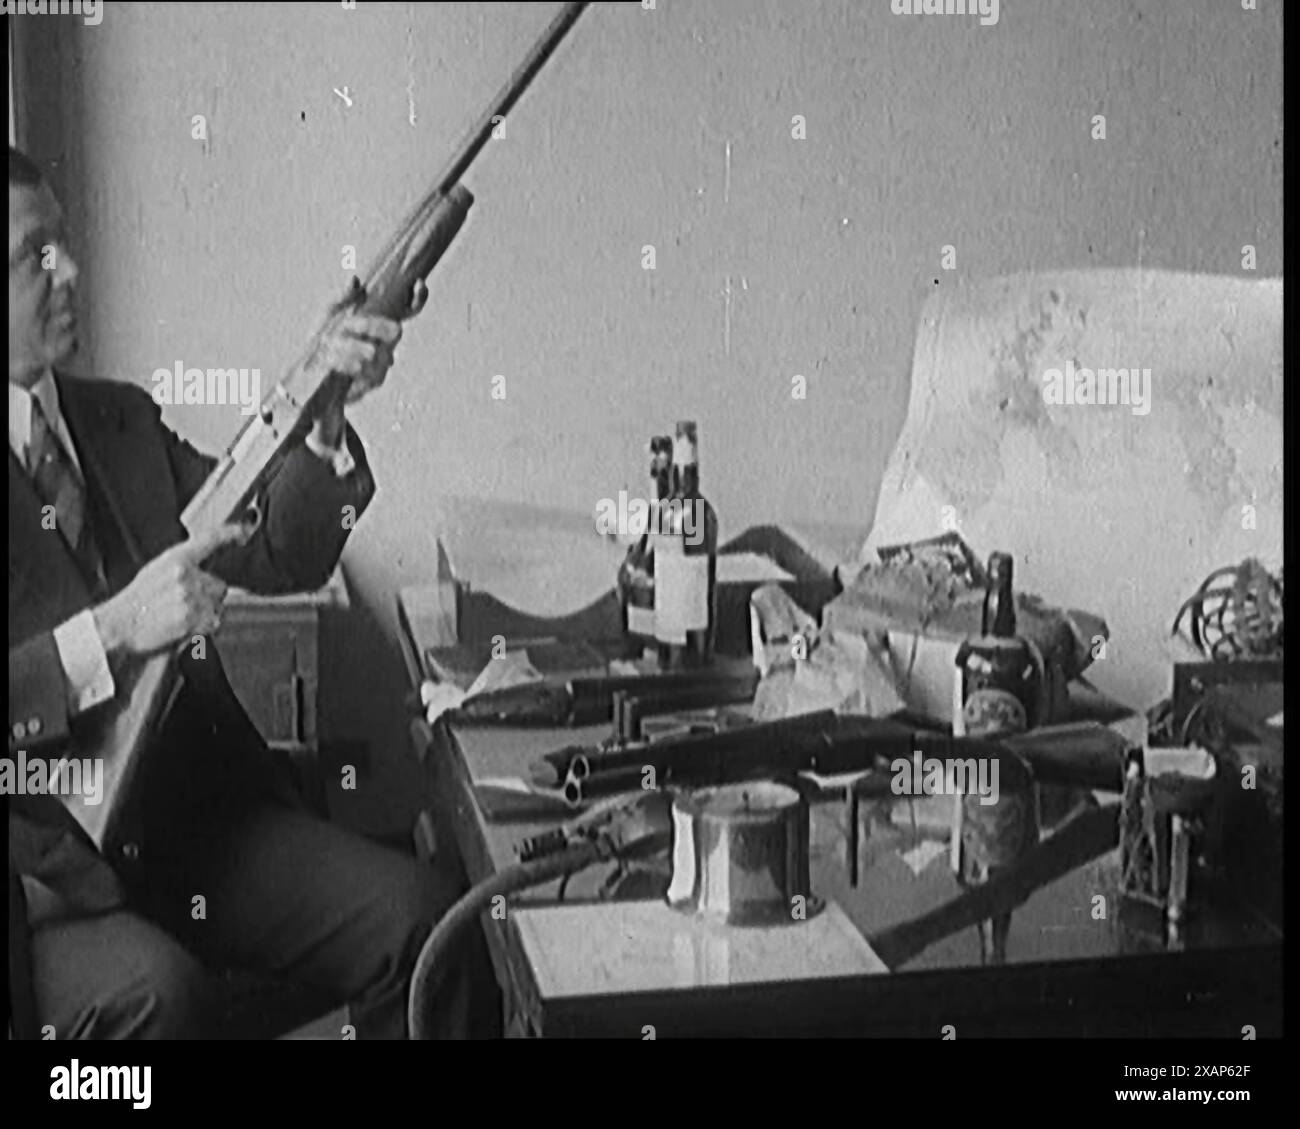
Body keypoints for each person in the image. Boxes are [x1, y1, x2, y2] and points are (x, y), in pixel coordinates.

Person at [7, 145, 479, 1039]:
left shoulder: (120, 421)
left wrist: (325, 414)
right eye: (35, 255)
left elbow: (280, 554)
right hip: (45, 876)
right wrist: (113, 628)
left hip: (197, 827)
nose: (69, 269)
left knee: (427, 921)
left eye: (63, 243)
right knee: (164, 996)